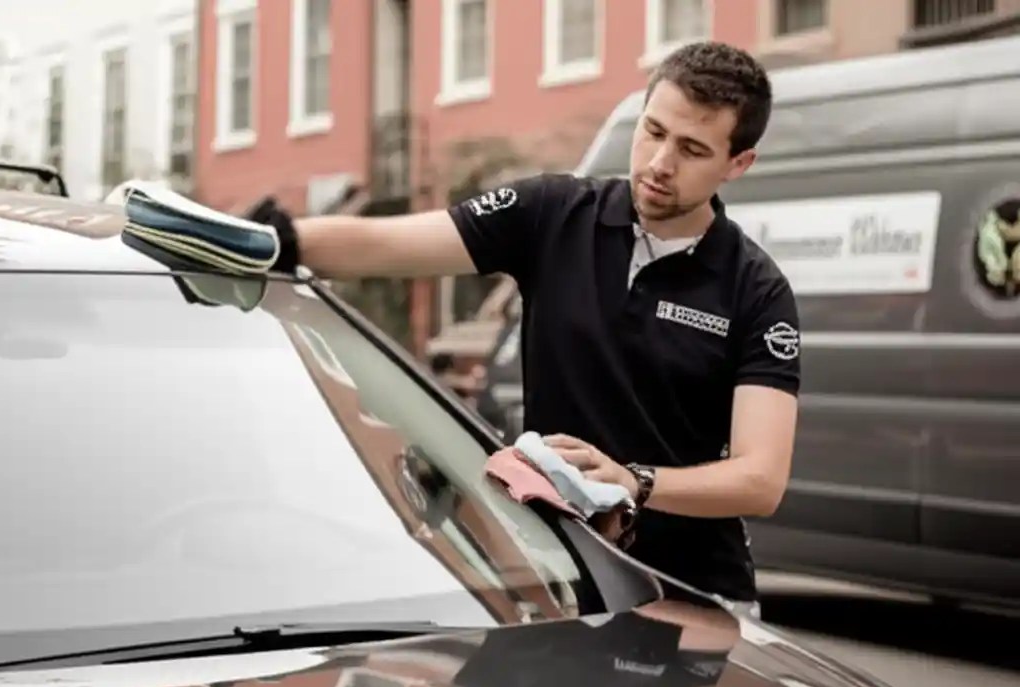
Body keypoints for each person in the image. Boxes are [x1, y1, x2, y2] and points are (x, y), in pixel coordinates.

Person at [244, 41, 800, 614]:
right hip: (557, 583)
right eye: (653, 131)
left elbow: (761, 480)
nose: (660, 162)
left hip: (695, 598)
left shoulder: (755, 289)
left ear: (738, 163)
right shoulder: (553, 215)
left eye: (691, 149)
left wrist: (635, 482)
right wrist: (275, 240)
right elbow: (391, 242)